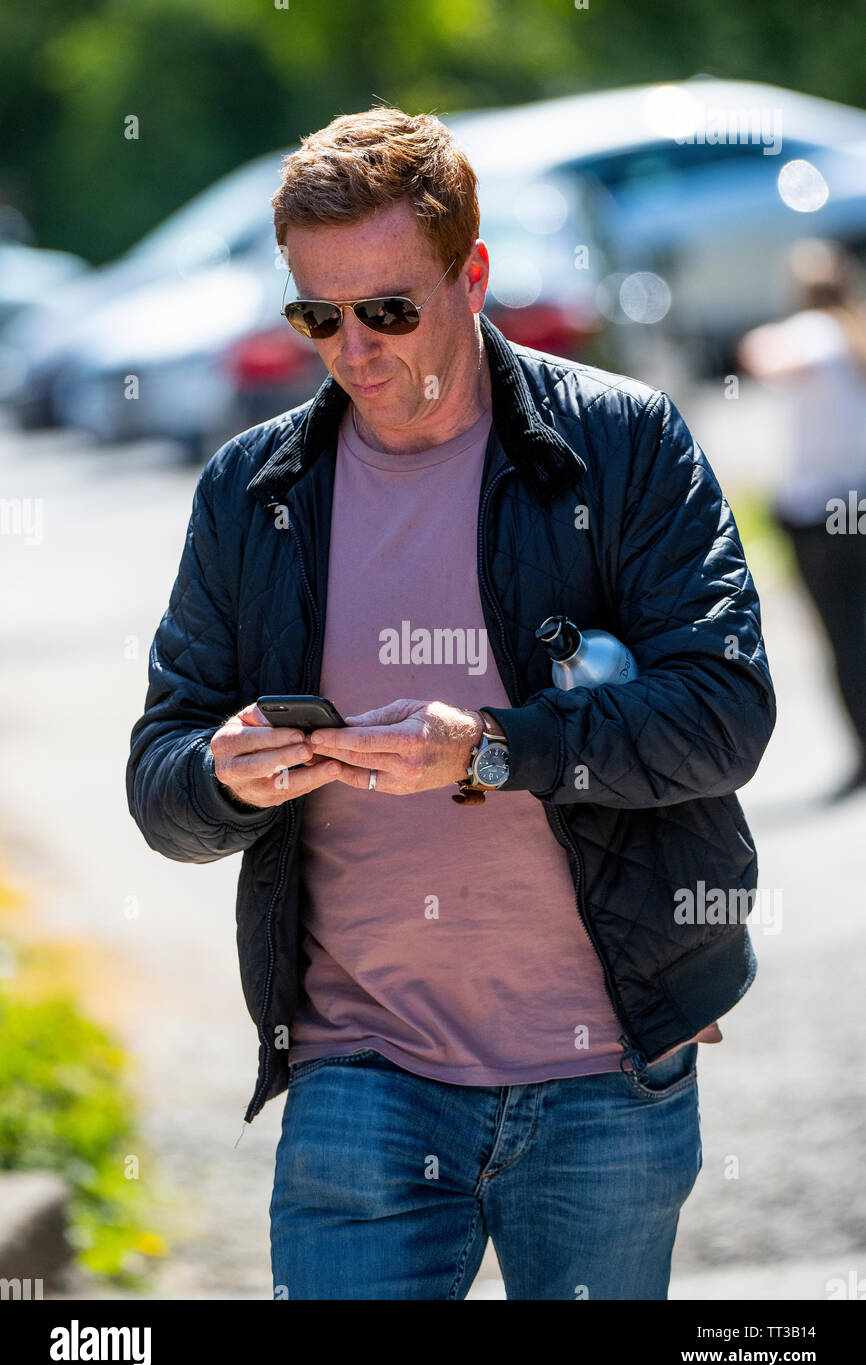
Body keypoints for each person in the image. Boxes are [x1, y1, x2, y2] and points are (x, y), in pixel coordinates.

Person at [126, 105, 776, 1300]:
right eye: (316, 315)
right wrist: (218, 775)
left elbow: (722, 712)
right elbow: (159, 778)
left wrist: (491, 749)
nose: (353, 348)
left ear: (470, 274)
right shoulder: (250, 491)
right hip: (356, 1068)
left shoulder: (621, 444)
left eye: (387, 310)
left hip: (603, 1067)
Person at [738, 238, 866, 801]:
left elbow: (762, 355)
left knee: (844, 636)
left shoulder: (816, 331)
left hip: (821, 515)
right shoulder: (856, 333)